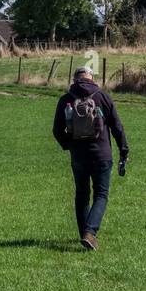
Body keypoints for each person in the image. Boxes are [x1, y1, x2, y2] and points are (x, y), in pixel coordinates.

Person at [52, 65, 129, 250]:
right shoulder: (103, 96)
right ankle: (90, 233)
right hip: (102, 155)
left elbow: (56, 130)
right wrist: (124, 151)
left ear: (74, 80)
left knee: (82, 195)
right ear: (92, 79)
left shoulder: (66, 99)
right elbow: (117, 127)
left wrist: (69, 146)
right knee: (101, 194)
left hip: (78, 157)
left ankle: (85, 234)